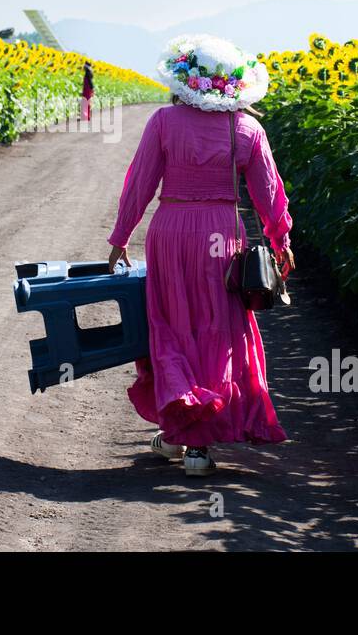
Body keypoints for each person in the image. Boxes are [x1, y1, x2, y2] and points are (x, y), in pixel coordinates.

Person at [106, 34, 294, 477]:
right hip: (222, 236)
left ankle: (183, 433)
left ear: (186, 81)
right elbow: (269, 193)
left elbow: (140, 184)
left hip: (171, 232)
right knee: (218, 330)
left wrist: (120, 237)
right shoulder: (247, 128)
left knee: (171, 326)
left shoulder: (163, 122)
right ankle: (194, 444)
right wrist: (281, 242)